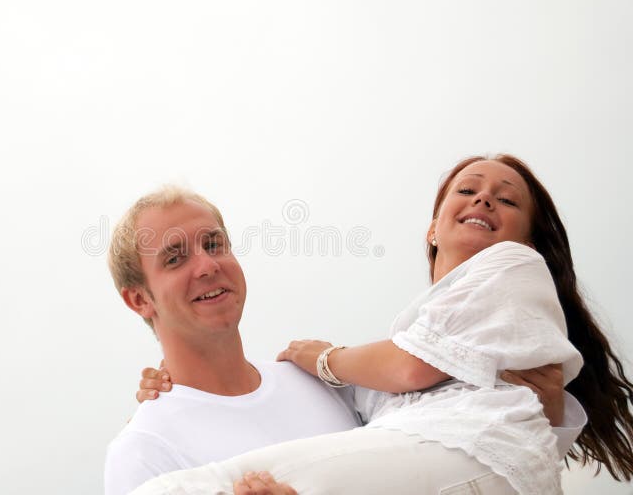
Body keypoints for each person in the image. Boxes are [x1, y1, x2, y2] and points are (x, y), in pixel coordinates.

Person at [127, 155, 633, 494]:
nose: (483, 200)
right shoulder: (425, 327)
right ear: (432, 229)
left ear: (526, 242)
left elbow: (409, 369)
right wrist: (172, 384)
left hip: (476, 458)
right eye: (468, 189)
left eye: (506, 200)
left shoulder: (514, 270)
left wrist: (324, 357)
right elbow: (393, 387)